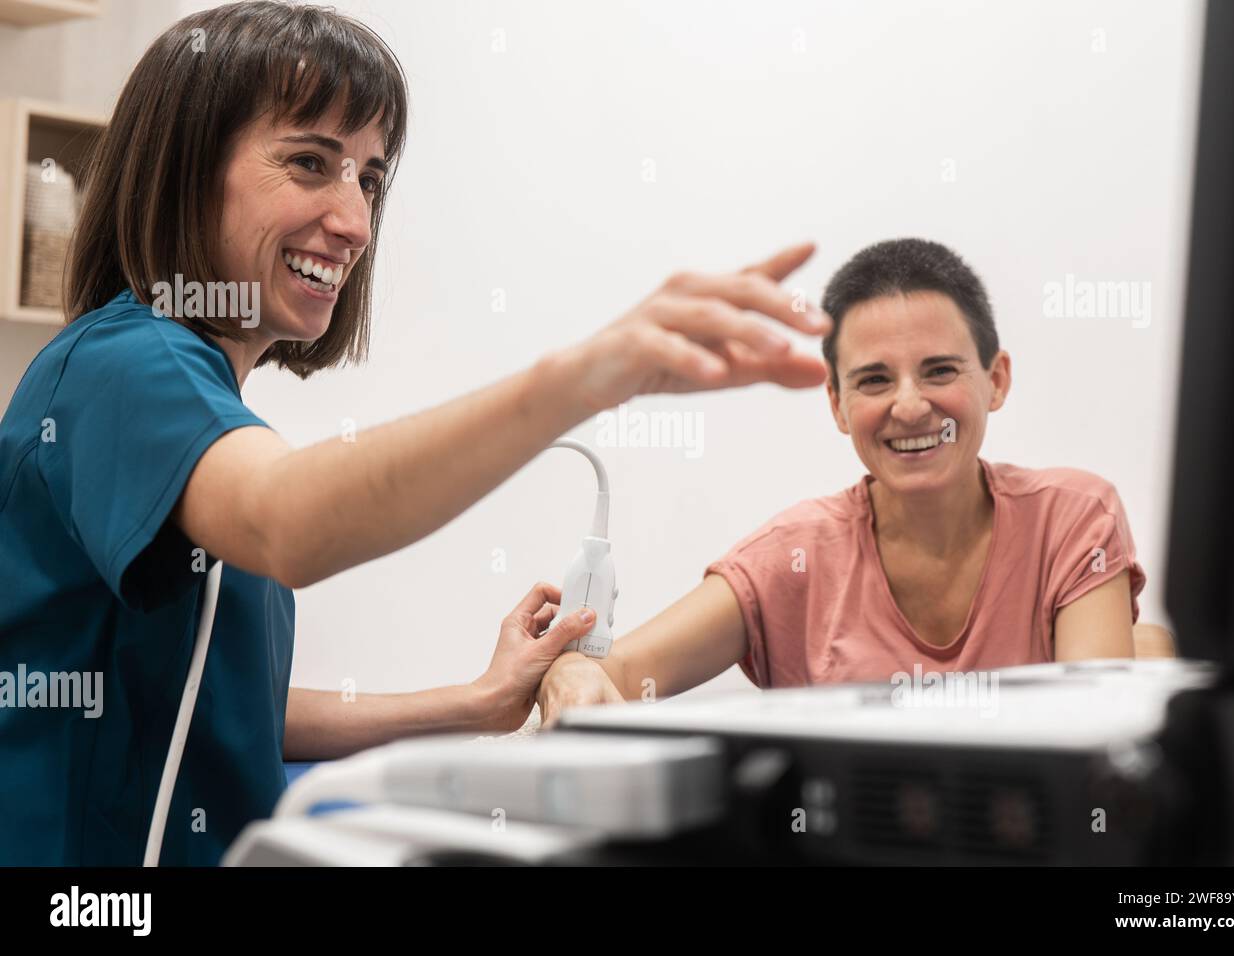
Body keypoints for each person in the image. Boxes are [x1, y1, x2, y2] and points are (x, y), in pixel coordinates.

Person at [0, 1, 829, 865]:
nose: (355, 222)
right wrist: (583, 378)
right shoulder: (124, 366)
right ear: (183, 170)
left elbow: (219, 702)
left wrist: (473, 703)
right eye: (310, 163)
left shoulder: (184, 396)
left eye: (369, 177)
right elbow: (291, 522)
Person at [538, 238, 1146, 726]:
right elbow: (617, 670)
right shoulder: (795, 557)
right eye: (875, 380)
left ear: (997, 380)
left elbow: (1098, 735)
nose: (909, 406)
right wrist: (572, 673)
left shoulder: (1072, 519)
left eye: (939, 371)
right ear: (836, 403)